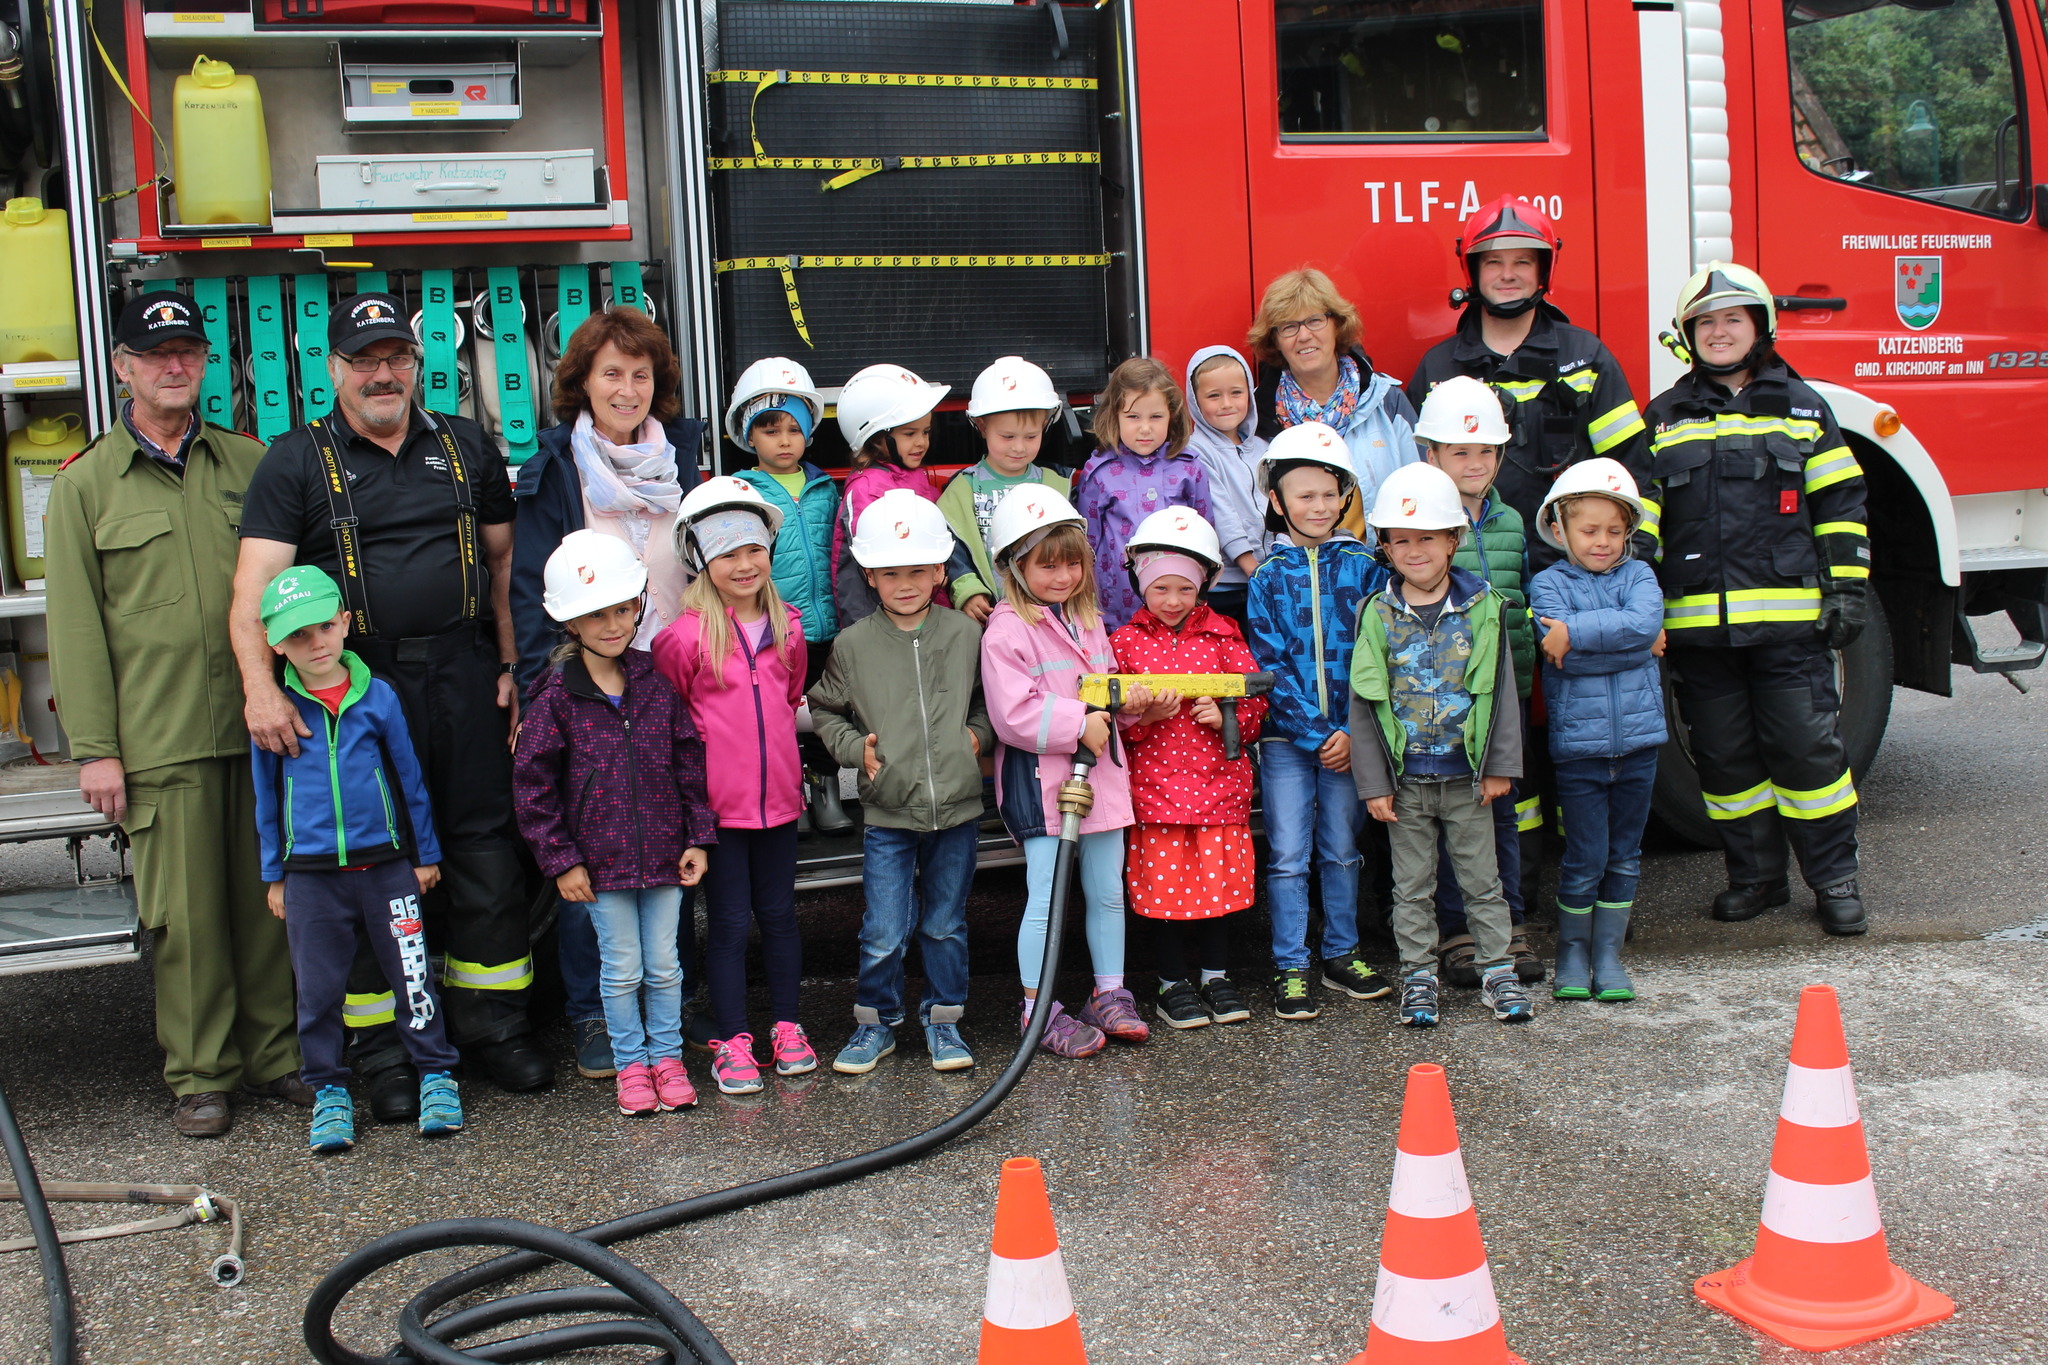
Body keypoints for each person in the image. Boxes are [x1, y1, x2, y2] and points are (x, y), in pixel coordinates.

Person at [232, 292, 552, 1126]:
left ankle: (493, 1025)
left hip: (465, 673)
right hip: (358, 689)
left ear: (417, 364)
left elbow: (503, 565)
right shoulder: (295, 461)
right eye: (365, 360)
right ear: (334, 369)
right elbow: (252, 592)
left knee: (482, 846)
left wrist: (512, 667)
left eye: (396, 357)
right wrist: (261, 688)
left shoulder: (466, 444)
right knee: (369, 863)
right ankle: (383, 1051)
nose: (383, 374)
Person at [45, 291, 308, 1138]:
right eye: (156, 354)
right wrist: (96, 749)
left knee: (268, 906)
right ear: (122, 366)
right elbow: (75, 628)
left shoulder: (250, 461)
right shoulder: (84, 485)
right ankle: (201, 1074)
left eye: (188, 351)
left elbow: (289, 594)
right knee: (186, 921)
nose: (174, 366)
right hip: (161, 740)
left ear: (204, 362)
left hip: (260, 725)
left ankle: (277, 1055)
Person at [1643, 263, 1872, 936]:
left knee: (1808, 755)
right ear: (1687, 337)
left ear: (1760, 327)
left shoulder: (1804, 408)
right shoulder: (1664, 417)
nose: (1719, 332)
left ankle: (1835, 881)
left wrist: (1847, 590)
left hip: (1789, 633)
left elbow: (1841, 504)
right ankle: (1756, 879)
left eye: (1733, 320)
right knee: (1726, 763)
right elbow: (1643, 520)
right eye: (1706, 323)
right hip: (1700, 637)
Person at [509, 306, 707, 1082]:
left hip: (672, 680)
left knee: (665, 838)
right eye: (611, 374)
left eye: (641, 374)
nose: (627, 388)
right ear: (582, 384)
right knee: (592, 843)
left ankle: (672, 1008)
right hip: (585, 685)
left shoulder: (683, 462)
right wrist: (539, 690)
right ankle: (594, 1012)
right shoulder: (558, 469)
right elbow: (532, 586)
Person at [251, 566, 463, 1151]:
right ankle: (328, 1090)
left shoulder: (379, 696)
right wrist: (274, 874)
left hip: (387, 869)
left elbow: (409, 779)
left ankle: (436, 1075)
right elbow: (266, 796)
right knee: (317, 993)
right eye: (298, 636)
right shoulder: (276, 710)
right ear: (276, 644)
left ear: (345, 622)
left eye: (324, 627)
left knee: (413, 978)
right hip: (310, 877)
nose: (316, 644)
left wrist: (424, 854)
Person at [515, 531, 716, 1115]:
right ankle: (631, 1064)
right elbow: (532, 787)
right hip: (599, 867)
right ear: (568, 623)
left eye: (622, 610)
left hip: (665, 857)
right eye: (594, 614)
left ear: (638, 606)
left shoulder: (655, 682)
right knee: (622, 968)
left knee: (666, 965)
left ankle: (668, 1059)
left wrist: (699, 837)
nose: (612, 624)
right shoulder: (554, 697)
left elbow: (688, 761)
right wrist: (562, 861)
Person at [809, 491, 994, 1075]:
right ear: (869, 576)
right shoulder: (852, 644)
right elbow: (825, 709)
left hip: (957, 810)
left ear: (940, 572)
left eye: (918, 571)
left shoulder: (965, 635)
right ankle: (875, 1023)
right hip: (888, 811)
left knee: (944, 925)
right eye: (890, 573)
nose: (905, 584)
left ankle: (944, 1021)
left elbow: (987, 701)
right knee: (884, 930)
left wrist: (975, 738)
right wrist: (852, 750)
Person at [1349, 462, 1532, 1029]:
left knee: (1483, 882)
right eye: (1401, 540)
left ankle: (1497, 970)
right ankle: (1419, 977)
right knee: (1411, 888)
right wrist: (1374, 783)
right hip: (1405, 782)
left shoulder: (1484, 608)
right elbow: (1364, 701)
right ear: (1385, 547)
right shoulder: (1376, 614)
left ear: (1453, 540)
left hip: (1467, 778)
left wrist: (1499, 766)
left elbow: (1502, 693)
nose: (1415, 550)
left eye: (1427, 537)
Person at [651, 478, 817, 1094]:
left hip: (779, 806)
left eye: (753, 550)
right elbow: (673, 725)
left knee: (779, 917)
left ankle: (788, 1027)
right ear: (701, 560)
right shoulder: (682, 639)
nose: (744, 564)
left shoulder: (789, 627)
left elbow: (789, 698)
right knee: (725, 925)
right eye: (727, 554)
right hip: (717, 814)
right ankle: (732, 1038)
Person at [980, 484, 1147, 1057]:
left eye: (1072, 564)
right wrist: (1079, 723)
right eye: (1047, 566)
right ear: (1014, 566)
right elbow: (1012, 713)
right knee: (1046, 901)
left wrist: (1136, 701)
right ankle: (1037, 1009)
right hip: (1044, 785)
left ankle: (1109, 993)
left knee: (1106, 892)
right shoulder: (1006, 630)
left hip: (1099, 779)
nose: (1063, 576)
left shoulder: (1087, 618)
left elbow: (1104, 687)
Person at [1406, 195, 1650, 567]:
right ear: (1473, 271)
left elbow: (1633, 471)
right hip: (1470, 576)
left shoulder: (1585, 359)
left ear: (1543, 271)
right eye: (1494, 262)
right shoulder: (1439, 369)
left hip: (1573, 577)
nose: (1508, 274)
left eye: (1522, 261)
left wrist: (1632, 562)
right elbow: (1415, 481)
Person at [1243, 423, 1388, 1021]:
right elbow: (1268, 665)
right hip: (1288, 740)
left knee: (1342, 848)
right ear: (1278, 502)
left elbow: (1379, 654)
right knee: (1287, 853)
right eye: (1305, 495)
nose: (1320, 506)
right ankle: (1290, 964)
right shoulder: (1266, 577)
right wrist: (1319, 733)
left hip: (1350, 737)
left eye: (1330, 494)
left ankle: (1342, 953)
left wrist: (1352, 731)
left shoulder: (1367, 568)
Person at [1109, 509, 1266, 1029]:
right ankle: (1171, 981)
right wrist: (1143, 718)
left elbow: (1255, 703)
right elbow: (1109, 718)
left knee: (1217, 889)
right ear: (1141, 585)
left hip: (1218, 787)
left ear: (1203, 586)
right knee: (1163, 892)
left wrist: (1227, 718)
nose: (1173, 600)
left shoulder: (1225, 638)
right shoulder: (1124, 643)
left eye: (1184, 589)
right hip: (1155, 789)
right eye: (1161, 589)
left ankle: (1216, 976)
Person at [1412, 376, 1544, 986]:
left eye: (1486, 451)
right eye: (1459, 451)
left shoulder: (1512, 520)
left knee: (1501, 813)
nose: (1475, 463)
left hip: (1506, 696)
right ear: (1430, 453)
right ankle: (1458, 931)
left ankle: (1508, 927)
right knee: (1448, 820)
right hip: (1446, 702)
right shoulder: (1422, 525)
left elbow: (1526, 593)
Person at [1528, 461, 1668, 1002]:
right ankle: (1572, 954)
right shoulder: (1547, 584)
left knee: (1625, 856)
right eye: (1589, 530)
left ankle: (1608, 956)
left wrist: (1577, 634)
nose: (1603, 542)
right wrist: (1636, 646)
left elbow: (1644, 624)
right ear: (1559, 529)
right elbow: (1566, 655)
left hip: (1640, 743)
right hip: (1579, 750)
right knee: (1585, 858)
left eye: (1614, 530)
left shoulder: (1641, 576)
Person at [723, 358, 848, 833]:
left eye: (794, 429)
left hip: (828, 627)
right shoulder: (744, 490)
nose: (784, 440)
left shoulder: (825, 488)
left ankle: (826, 792)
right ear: (748, 435)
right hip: (774, 628)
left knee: (824, 712)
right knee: (776, 715)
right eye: (770, 429)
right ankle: (787, 795)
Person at [1247, 267, 1418, 530]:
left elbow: (1421, 489)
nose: (1304, 335)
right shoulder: (1257, 417)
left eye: (1315, 320)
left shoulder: (1386, 400)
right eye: (1289, 327)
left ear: (1337, 325)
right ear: (1275, 341)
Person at [831, 363, 981, 628]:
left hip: (921, 612)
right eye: (910, 433)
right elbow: (876, 565)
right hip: (882, 622)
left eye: (926, 432)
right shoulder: (866, 489)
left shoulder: (914, 477)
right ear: (875, 437)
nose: (921, 442)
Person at [940, 356, 1071, 619]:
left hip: (1050, 614)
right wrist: (968, 590)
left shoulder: (1057, 485)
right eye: (1007, 436)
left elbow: (1073, 550)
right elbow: (953, 551)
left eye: (1031, 436)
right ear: (982, 426)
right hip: (992, 614)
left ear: (1045, 425)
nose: (1019, 447)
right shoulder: (962, 489)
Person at [1182, 345, 1269, 629]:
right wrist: (1251, 567)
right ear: (1195, 401)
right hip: (1227, 584)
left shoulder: (1264, 448)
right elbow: (1221, 514)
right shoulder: (1197, 451)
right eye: (1214, 396)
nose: (1227, 404)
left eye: (1236, 392)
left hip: (1268, 575)